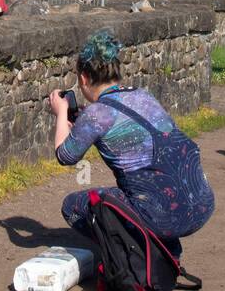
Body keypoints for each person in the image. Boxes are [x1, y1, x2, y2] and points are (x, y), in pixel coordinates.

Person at [49, 30, 215, 260]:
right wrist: (82, 121)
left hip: (168, 217)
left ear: (84, 78)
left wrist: (61, 112)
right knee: (153, 193)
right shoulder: (142, 96)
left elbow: (65, 155)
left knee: (73, 207)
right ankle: (165, 250)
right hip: (201, 204)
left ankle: (134, 256)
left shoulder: (97, 114)